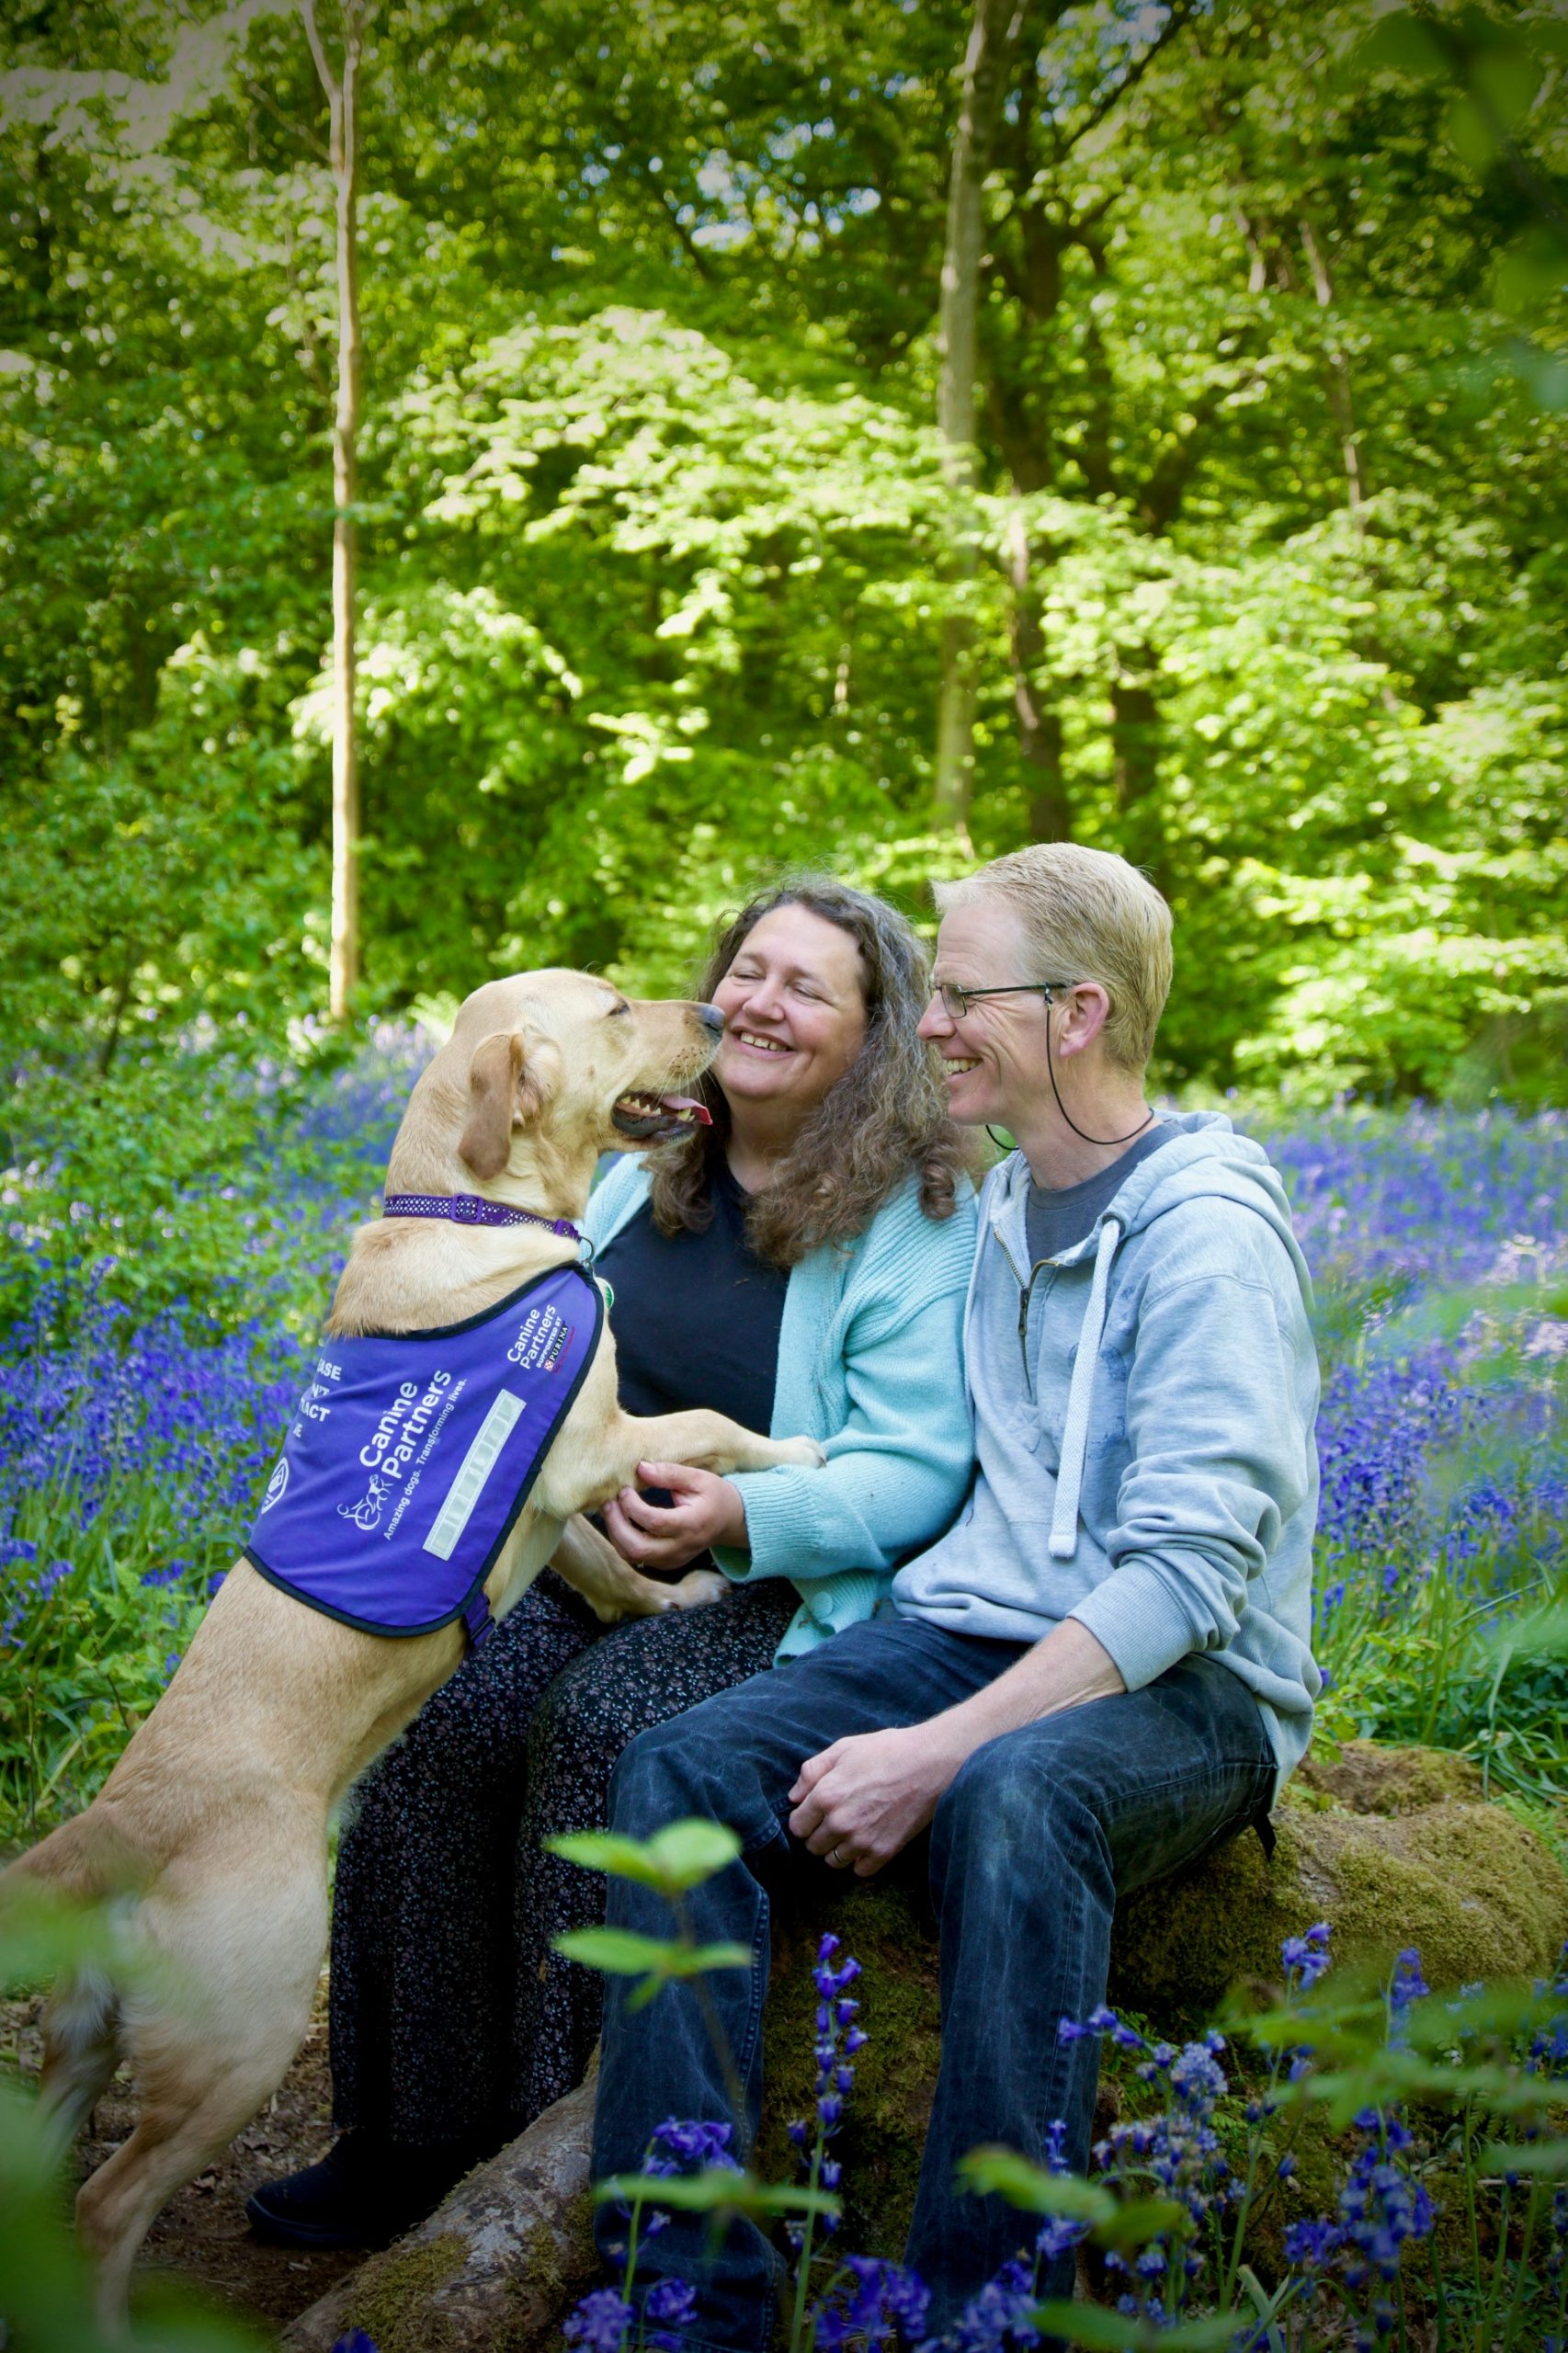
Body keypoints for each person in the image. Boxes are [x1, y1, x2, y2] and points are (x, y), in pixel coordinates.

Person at [589, 842, 1321, 2347]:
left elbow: (1189, 1574)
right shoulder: (991, 1219)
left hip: (1188, 1684)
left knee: (1012, 1797)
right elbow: (929, 1479)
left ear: (1074, 1014)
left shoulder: (1205, 1233)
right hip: (975, 1626)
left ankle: (975, 2315)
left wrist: (935, 1751)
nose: (925, 1024)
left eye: (961, 992)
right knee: (675, 1765)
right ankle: (686, 2302)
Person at [247, 879, 980, 2249]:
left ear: (875, 1034)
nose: (757, 1002)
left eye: (806, 986)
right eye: (747, 969)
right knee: (442, 1715)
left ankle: (549, 2157)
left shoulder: (914, 1221)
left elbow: (918, 1467)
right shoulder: (636, 1169)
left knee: (595, 1731)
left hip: (772, 1591)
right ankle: (403, 2136)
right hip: (579, 1553)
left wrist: (738, 1517)